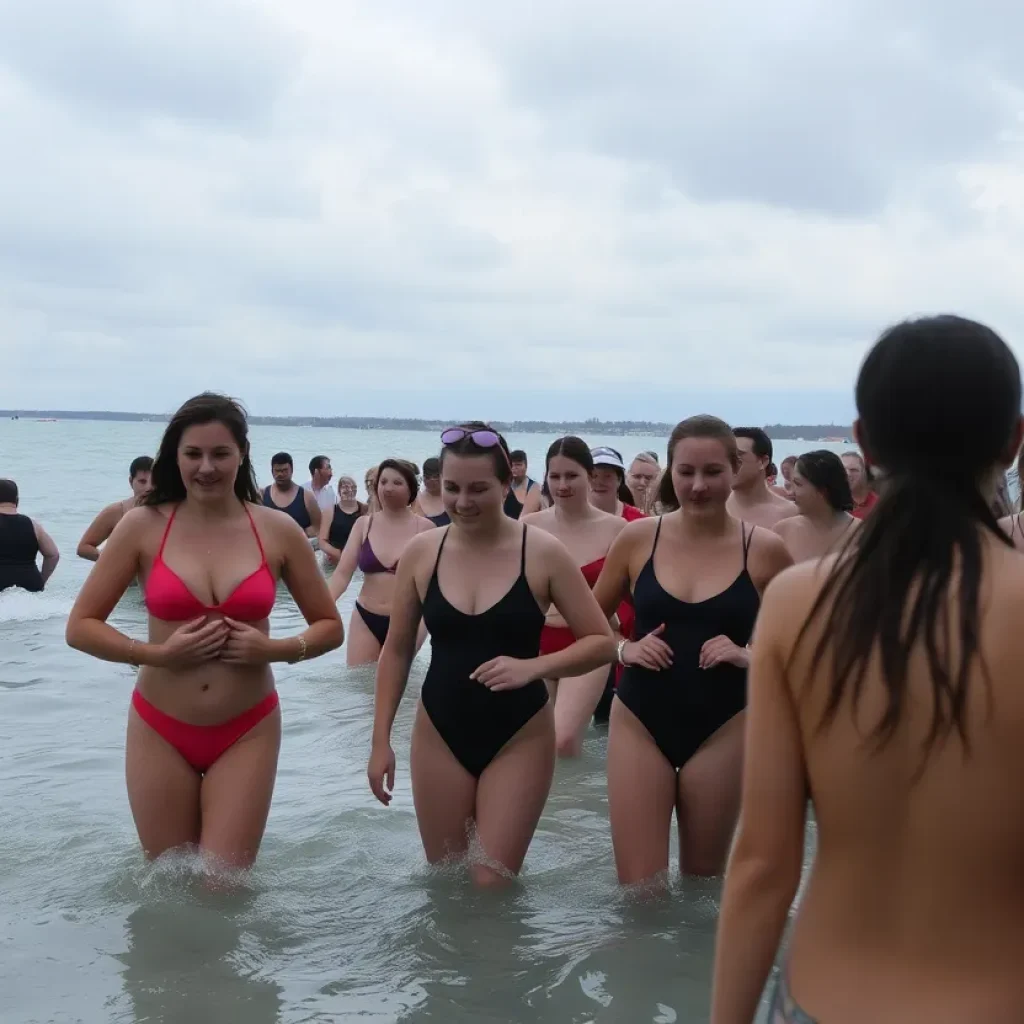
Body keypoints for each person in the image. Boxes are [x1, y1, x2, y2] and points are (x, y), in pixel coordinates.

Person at [711, 315, 1024, 1023]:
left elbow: (762, 864)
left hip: (825, 997)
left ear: (865, 441)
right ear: (1013, 441)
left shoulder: (797, 603)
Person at [65, 393, 343, 868]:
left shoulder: (278, 530)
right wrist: (156, 654)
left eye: (220, 454)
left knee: (224, 888)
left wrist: (271, 649)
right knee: (167, 887)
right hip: (159, 726)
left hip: (248, 728)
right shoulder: (141, 526)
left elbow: (330, 627)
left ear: (243, 455)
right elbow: (81, 627)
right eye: (193, 454)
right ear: (175, 457)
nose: (207, 467)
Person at [367, 423, 615, 885]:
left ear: (508, 485)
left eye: (479, 488)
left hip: (519, 732)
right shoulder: (422, 552)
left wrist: (533, 667)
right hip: (439, 730)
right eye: (453, 487)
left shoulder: (541, 552)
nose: (462, 501)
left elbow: (600, 642)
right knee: (444, 881)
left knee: (492, 882)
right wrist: (380, 740)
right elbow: (398, 651)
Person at [593, 415, 792, 884]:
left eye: (712, 472)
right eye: (685, 472)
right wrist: (624, 649)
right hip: (641, 717)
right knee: (640, 892)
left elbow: (811, 645)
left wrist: (749, 654)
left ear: (735, 469)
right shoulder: (638, 538)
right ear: (670, 471)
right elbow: (588, 624)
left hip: (726, 723)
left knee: (703, 887)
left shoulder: (764, 550)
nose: (698, 486)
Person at [522, 438, 626, 756]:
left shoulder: (617, 529)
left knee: (563, 742)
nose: (563, 485)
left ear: (590, 476)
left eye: (572, 476)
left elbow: (639, 593)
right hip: (534, 643)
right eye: (555, 477)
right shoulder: (528, 527)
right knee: (535, 745)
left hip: (589, 642)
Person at [329, 459, 435, 665]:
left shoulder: (426, 529)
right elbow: (342, 574)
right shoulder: (363, 524)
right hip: (365, 616)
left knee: (397, 691)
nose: (388, 488)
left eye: (397, 483)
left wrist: (422, 628)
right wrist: (321, 609)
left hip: (407, 621)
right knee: (360, 687)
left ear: (411, 488)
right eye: (383, 481)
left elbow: (432, 589)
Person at [772, 450, 859, 563]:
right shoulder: (782, 531)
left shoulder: (862, 534)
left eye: (798, 484)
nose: (791, 493)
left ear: (822, 490)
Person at [77, 456, 154, 561]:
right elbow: (83, 547)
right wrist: (110, 559)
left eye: (154, 482)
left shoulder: (167, 512)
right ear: (131, 482)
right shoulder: (116, 511)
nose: (148, 488)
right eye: (142, 482)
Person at [727, 428, 799, 529]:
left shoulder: (790, 514)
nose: (729, 464)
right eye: (726, 457)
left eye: (738, 457)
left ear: (763, 462)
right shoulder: (714, 509)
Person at [0, 478, 59, 592]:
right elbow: (53, 555)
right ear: (16, 500)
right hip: (29, 585)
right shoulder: (33, 525)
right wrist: (41, 581)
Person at [262, 453, 320, 538]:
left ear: (292, 470)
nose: (280, 474)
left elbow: (317, 527)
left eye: (284, 470)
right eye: (277, 471)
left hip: (298, 547)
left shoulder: (306, 496)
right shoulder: (263, 494)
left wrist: (297, 535)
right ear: (272, 471)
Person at [318, 476, 368, 564]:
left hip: (359, 557)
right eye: (345, 487)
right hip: (335, 557)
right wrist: (337, 554)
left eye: (353, 487)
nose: (349, 490)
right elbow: (322, 541)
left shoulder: (365, 509)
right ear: (339, 491)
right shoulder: (329, 511)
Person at [589, 446, 645, 521]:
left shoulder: (639, 520)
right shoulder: (572, 518)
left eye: (607, 476)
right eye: (594, 476)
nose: (599, 482)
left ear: (619, 480)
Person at [412, 457, 450, 526]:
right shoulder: (417, 500)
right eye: (427, 477)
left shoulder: (452, 497)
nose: (431, 481)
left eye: (436, 477)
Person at [842, 450, 878, 519]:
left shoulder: (877, 506)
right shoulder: (832, 503)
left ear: (863, 473)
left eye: (853, 470)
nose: (847, 474)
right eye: (843, 469)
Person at [509, 450, 543, 515]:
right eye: (511, 465)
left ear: (526, 466)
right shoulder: (504, 487)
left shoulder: (535, 488)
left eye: (518, 465)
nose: (514, 468)